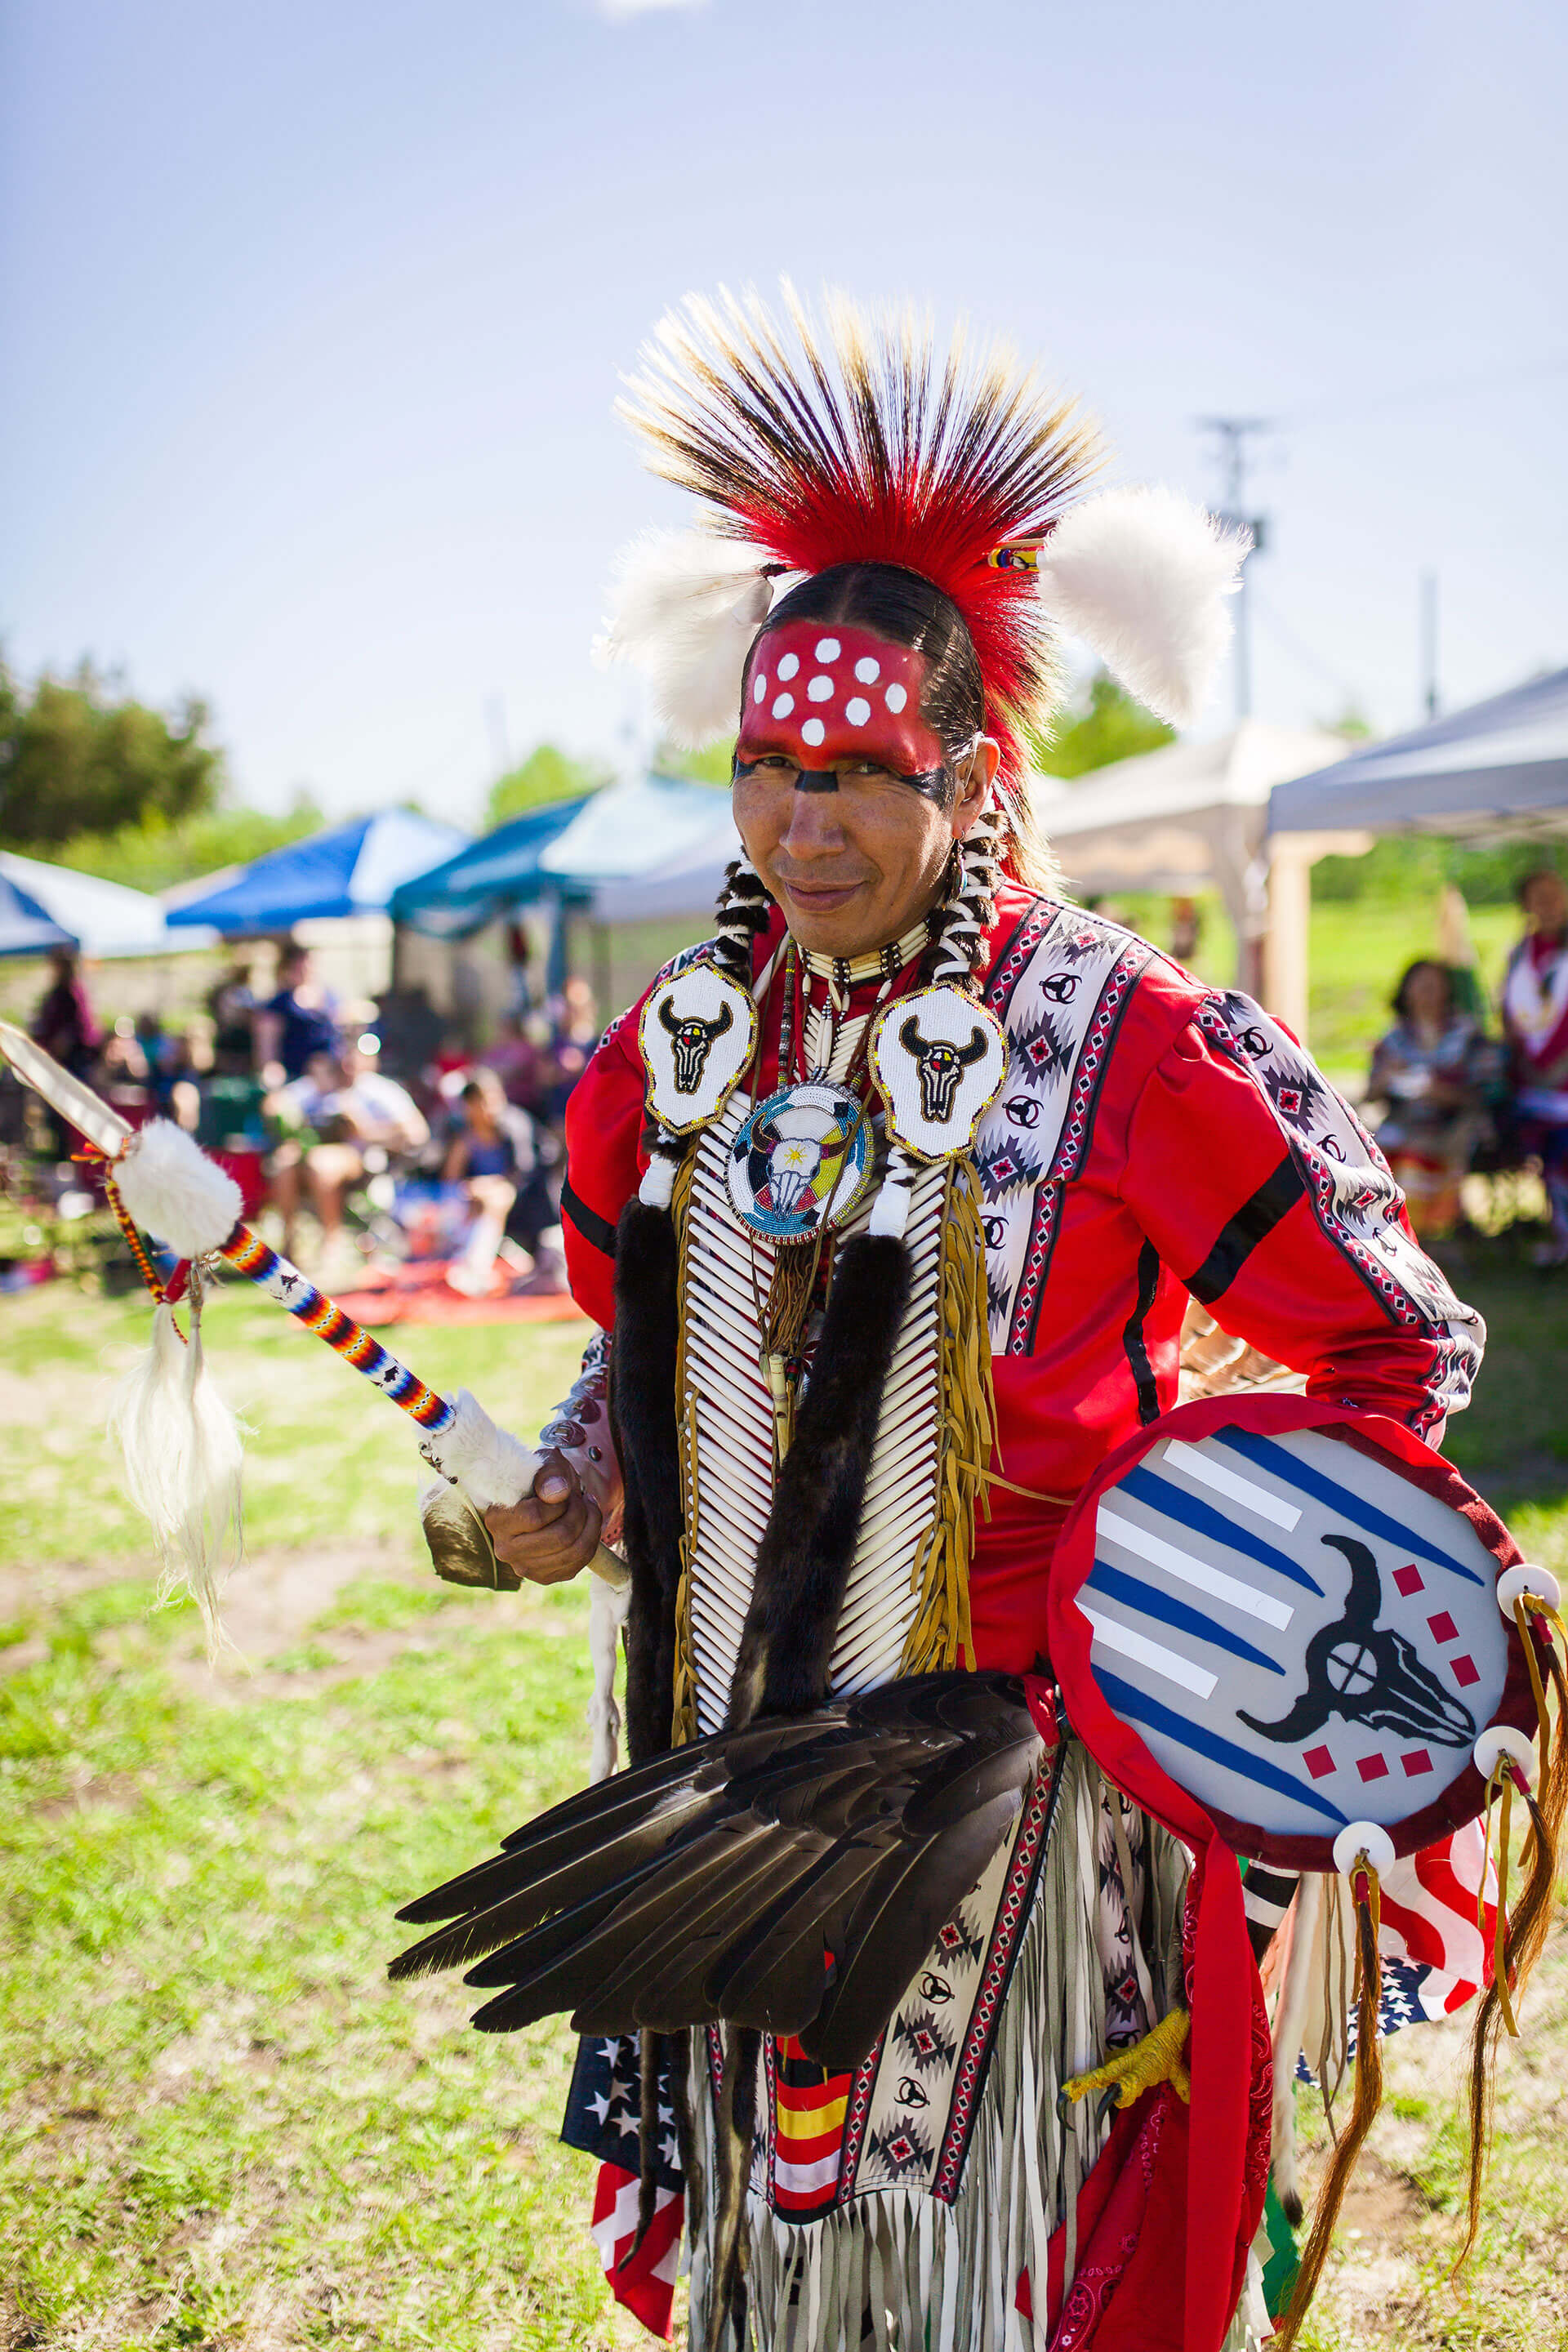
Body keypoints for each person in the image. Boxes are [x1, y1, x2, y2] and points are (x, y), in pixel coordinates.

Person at [412, 293, 1486, 2351]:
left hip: (1031, 1806)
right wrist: (561, 1485)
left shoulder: (1125, 1043)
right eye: (761, 771)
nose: (800, 824)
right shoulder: (675, 1059)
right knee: (783, 2274)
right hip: (729, 1788)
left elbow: (1394, 1345)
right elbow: (640, 1368)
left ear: (969, 773)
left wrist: (1177, 1642)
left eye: (855, 776)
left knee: (999, 2282)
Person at [267, 1037, 427, 1269]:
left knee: (320, 1164)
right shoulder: (321, 1084)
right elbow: (274, 1104)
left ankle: (332, 1243)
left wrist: (364, 1130)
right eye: (345, 1055)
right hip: (309, 1157)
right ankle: (289, 1245)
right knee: (284, 1164)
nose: (349, 1062)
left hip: (362, 1162)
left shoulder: (379, 1091)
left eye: (357, 1056)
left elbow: (417, 1134)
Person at [1367, 959, 1493, 1239]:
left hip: (1454, 1125)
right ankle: (1386, 1233)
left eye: (1434, 985)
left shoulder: (1467, 1035)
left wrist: (1442, 1092)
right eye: (1420, 984)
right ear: (1405, 992)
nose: (1427, 991)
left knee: (1417, 1155)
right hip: (1403, 1122)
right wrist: (1386, 1077)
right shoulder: (1394, 1039)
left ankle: (1425, 1234)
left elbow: (1487, 1091)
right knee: (1375, 1154)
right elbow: (1372, 1094)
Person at [1499, 865, 1568, 1267]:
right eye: (1538, 896)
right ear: (1525, 905)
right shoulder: (1519, 956)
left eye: (1556, 894)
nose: (1549, 904)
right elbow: (1508, 1014)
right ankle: (1559, 1234)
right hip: (1531, 1084)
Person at [254, 943, 339, 1084]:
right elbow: (267, 1046)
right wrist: (271, 1070)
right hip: (296, 1077)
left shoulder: (331, 998)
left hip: (331, 1075)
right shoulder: (278, 1005)